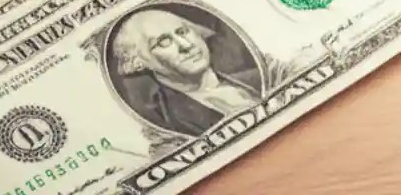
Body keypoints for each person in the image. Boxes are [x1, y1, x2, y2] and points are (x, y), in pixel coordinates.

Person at [111, 8, 294, 136]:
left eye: (183, 32)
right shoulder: (170, 125)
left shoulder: (261, 75)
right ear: (138, 63)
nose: (186, 45)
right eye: (163, 42)